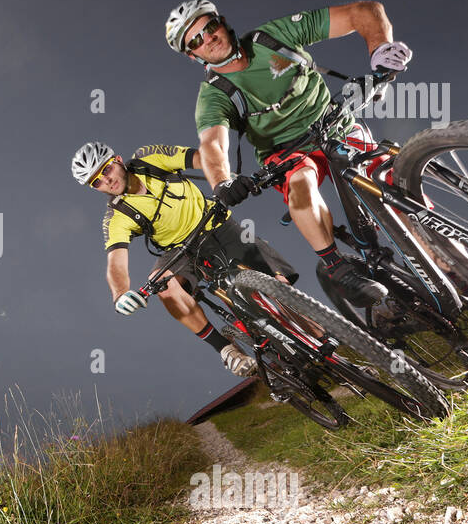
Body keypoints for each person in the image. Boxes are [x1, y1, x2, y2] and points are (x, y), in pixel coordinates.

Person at [163, 0, 414, 307]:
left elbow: (363, 12)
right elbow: (213, 144)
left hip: (334, 124)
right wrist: (222, 183)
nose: (209, 39)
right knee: (300, 187)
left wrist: (381, 51)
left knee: (395, 188)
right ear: (193, 55)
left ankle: (453, 268)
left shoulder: (272, 37)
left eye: (210, 27)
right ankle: (338, 268)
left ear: (222, 22)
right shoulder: (214, 95)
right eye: (196, 40)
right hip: (287, 151)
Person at [71, 141, 299, 378]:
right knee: (162, 285)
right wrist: (120, 293)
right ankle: (226, 350)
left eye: (106, 170)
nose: (106, 181)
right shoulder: (116, 217)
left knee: (283, 291)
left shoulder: (149, 158)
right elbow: (116, 262)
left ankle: (327, 345)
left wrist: (223, 181)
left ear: (118, 160)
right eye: (96, 182)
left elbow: (203, 158)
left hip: (216, 222)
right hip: (182, 250)